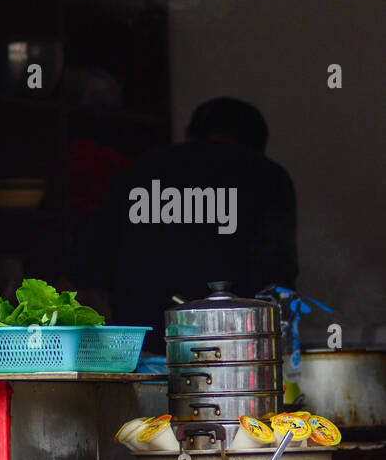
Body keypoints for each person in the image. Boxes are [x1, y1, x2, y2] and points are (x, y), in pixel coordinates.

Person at [68, 97, 298, 351]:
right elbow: (278, 279)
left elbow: (83, 275)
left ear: (189, 135)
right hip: (235, 349)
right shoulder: (268, 176)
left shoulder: (141, 170)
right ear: (259, 147)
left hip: (141, 348)